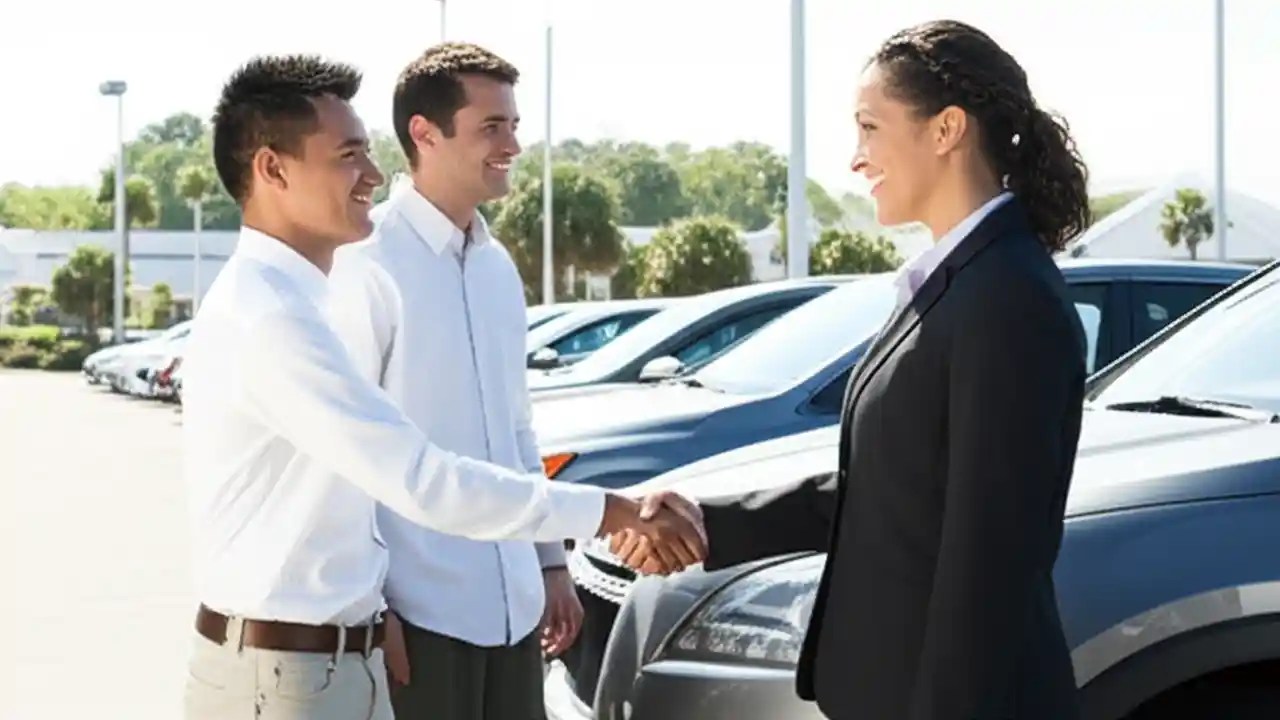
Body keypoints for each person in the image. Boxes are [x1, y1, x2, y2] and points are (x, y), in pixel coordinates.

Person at [181, 54, 706, 720]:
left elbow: (508, 430)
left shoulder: (315, 295)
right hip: (327, 655)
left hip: (369, 646)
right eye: (348, 155)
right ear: (273, 168)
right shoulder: (293, 306)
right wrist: (613, 513)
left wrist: (546, 564)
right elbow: (412, 476)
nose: (373, 173)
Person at [614, 19, 1091, 720]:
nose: (856, 158)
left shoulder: (1008, 298)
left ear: (946, 129)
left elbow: (990, 565)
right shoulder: (959, 280)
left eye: (870, 127)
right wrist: (709, 523)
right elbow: (894, 491)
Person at [326, 42, 585, 719]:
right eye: (492, 127)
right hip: (420, 619)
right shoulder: (365, 262)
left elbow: (517, 427)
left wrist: (550, 564)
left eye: (515, 125)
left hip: (515, 610)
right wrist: (375, 608)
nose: (514, 145)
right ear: (425, 133)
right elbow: (342, 460)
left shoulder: (498, 267)